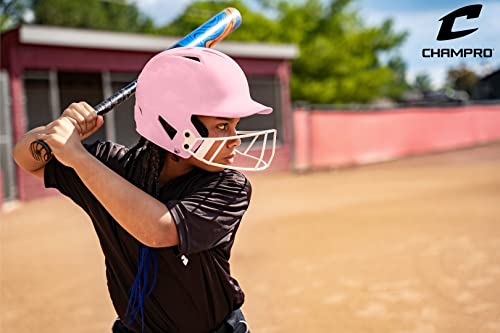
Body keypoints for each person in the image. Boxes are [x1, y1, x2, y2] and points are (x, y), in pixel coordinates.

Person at [12, 47, 277, 333]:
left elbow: (158, 229)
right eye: (223, 125)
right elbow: (26, 157)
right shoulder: (109, 168)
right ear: (174, 126)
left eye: (235, 125)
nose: (235, 139)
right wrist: (59, 130)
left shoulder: (228, 187)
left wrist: (78, 156)